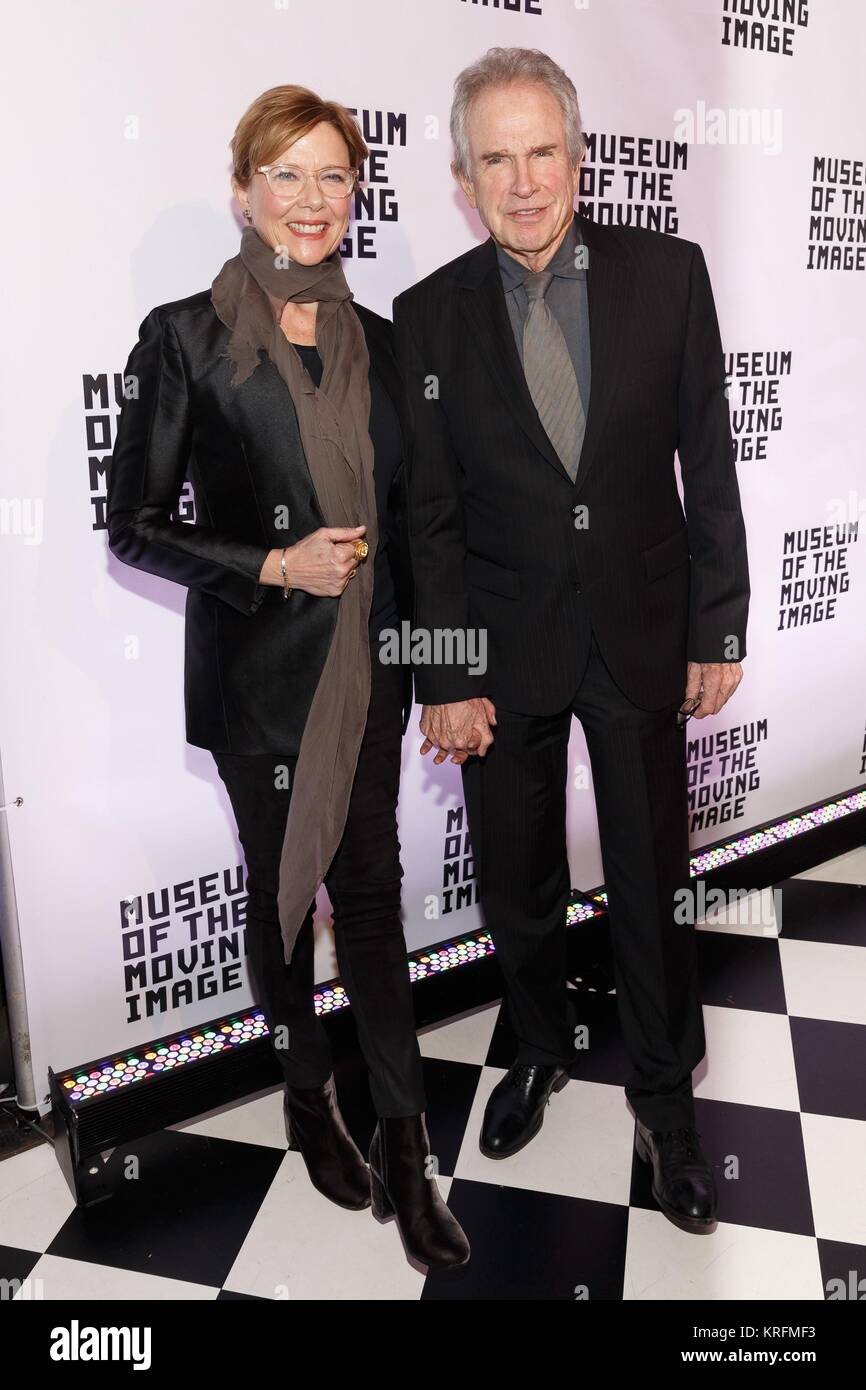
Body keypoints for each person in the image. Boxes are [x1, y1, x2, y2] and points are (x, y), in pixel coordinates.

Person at [107, 84, 469, 1270]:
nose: (310, 201)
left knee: (369, 896)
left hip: (368, 673)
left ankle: (407, 1154)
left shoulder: (392, 343)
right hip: (260, 683)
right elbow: (136, 523)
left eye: (331, 177)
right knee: (280, 897)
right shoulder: (185, 336)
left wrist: (439, 675)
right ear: (244, 193)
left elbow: (421, 533)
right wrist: (270, 558)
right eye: (285, 176)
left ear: (353, 194)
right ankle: (309, 1095)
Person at [393, 47, 750, 1235]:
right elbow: (427, 519)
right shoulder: (426, 317)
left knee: (652, 882)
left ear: (578, 155)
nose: (523, 181)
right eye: (494, 159)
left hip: (645, 630)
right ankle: (537, 1046)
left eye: (541, 151)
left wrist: (718, 619)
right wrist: (442, 672)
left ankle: (666, 1105)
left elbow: (708, 457)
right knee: (518, 882)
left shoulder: (670, 275)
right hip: (501, 653)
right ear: (461, 177)